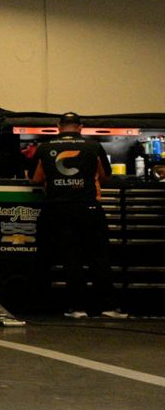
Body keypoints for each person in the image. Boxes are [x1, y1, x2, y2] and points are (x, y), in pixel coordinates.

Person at [30, 112, 127, 319]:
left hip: (58, 210)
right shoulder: (93, 146)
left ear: (58, 126)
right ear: (80, 127)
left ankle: (78, 308)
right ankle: (108, 307)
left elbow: (35, 179)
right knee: (99, 257)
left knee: (71, 259)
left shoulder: (45, 148)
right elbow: (105, 176)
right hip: (89, 208)